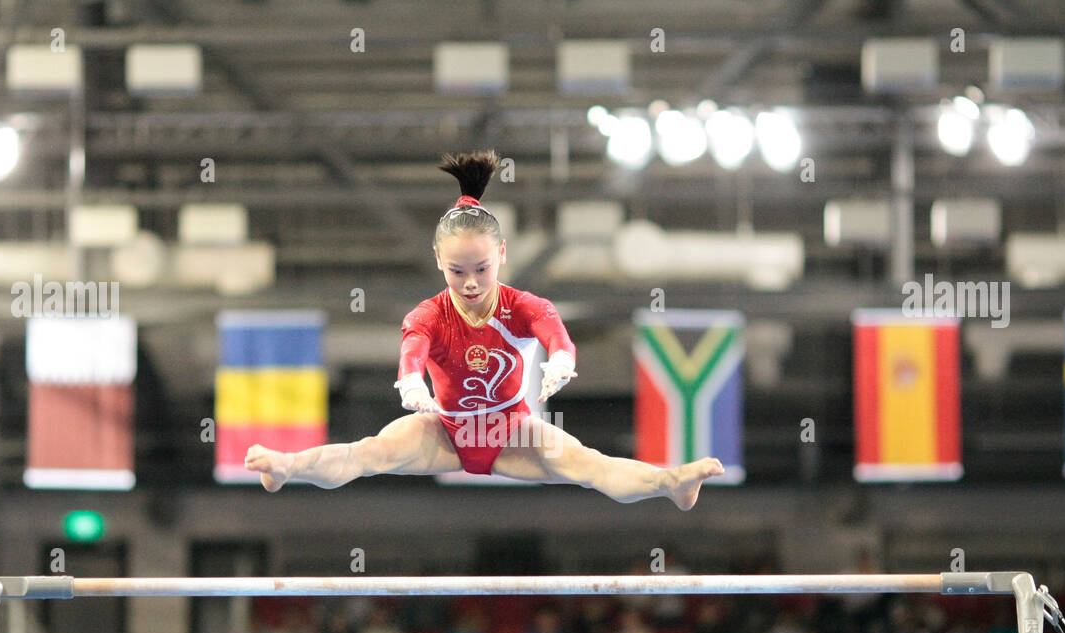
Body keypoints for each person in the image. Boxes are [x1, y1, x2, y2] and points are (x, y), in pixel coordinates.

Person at [244, 149, 723, 509]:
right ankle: (288, 466)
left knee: (586, 464)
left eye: (482, 268)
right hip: (444, 431)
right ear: (438, 261)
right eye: (456, 271)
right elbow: (412, 352)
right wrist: (411, 382)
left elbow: (556, 334)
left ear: (502, 256)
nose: (470, 283)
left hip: (511, 430)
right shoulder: (428, 316)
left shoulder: (524, 306)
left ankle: (671, 484)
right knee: (370, 452)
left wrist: (561, 361)